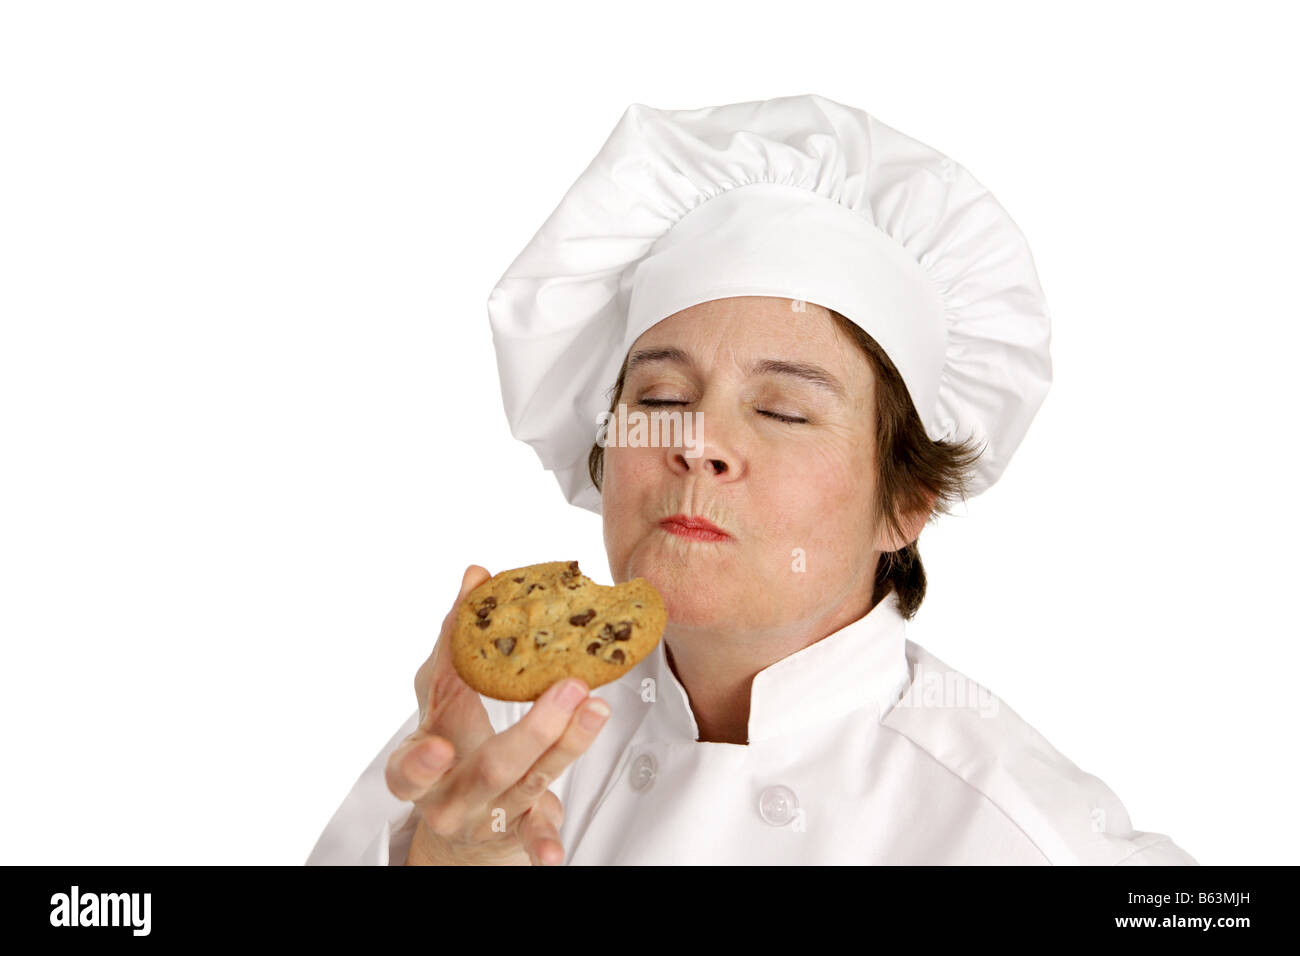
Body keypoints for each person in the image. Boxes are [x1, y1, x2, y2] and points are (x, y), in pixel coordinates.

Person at [306, 94, 1197, 866]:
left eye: (784, 410)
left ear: (906, 500)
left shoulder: (1028, 834)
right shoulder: (485, 754)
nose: (699, 445)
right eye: (659, 395)